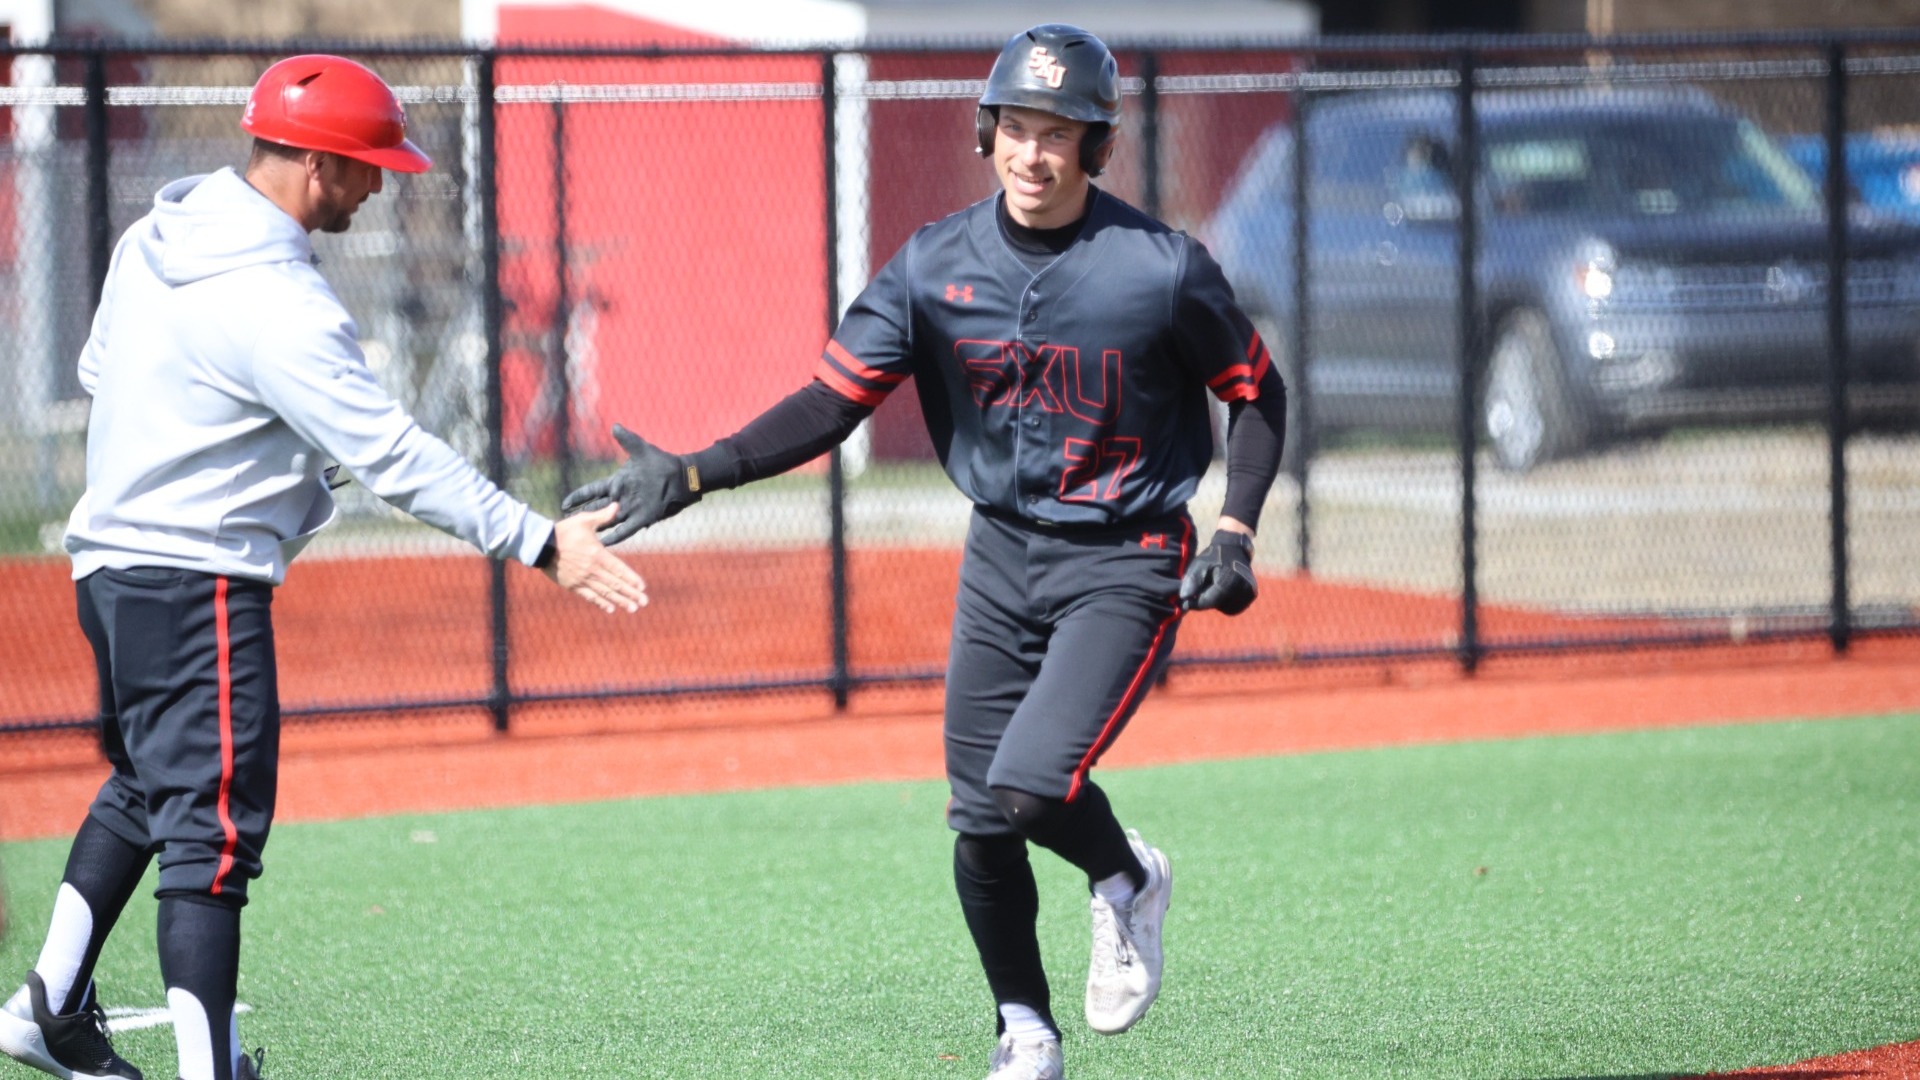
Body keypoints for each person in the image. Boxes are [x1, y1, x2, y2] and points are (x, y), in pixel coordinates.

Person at [564, 23, 1286, 1079]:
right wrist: (694, 472)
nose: (1034, 155)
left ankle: (1127, 876)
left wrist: (1235, 526)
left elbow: (1257, 396)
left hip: (1125, 557)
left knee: (1033, 788)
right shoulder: (935, 262)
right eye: (1018, 129)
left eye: (1061, 134)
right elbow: (830, 402)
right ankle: (1025, 1033)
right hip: (1000, 556)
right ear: (986, 131)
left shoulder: (1161, 268)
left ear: (1097, 147)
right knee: (978, 820)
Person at [0, 55, 646, 1080]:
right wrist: (537, 541)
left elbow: (99, 370)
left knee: (145, 786)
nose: (379, 184)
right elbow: (395, 456)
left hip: (110, 567)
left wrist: (253, 438)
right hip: (194, 581)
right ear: (313, 166)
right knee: (212, 841)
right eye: (367, 165)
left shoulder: (152, 234)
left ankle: (47, 1004)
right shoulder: (281, 300)